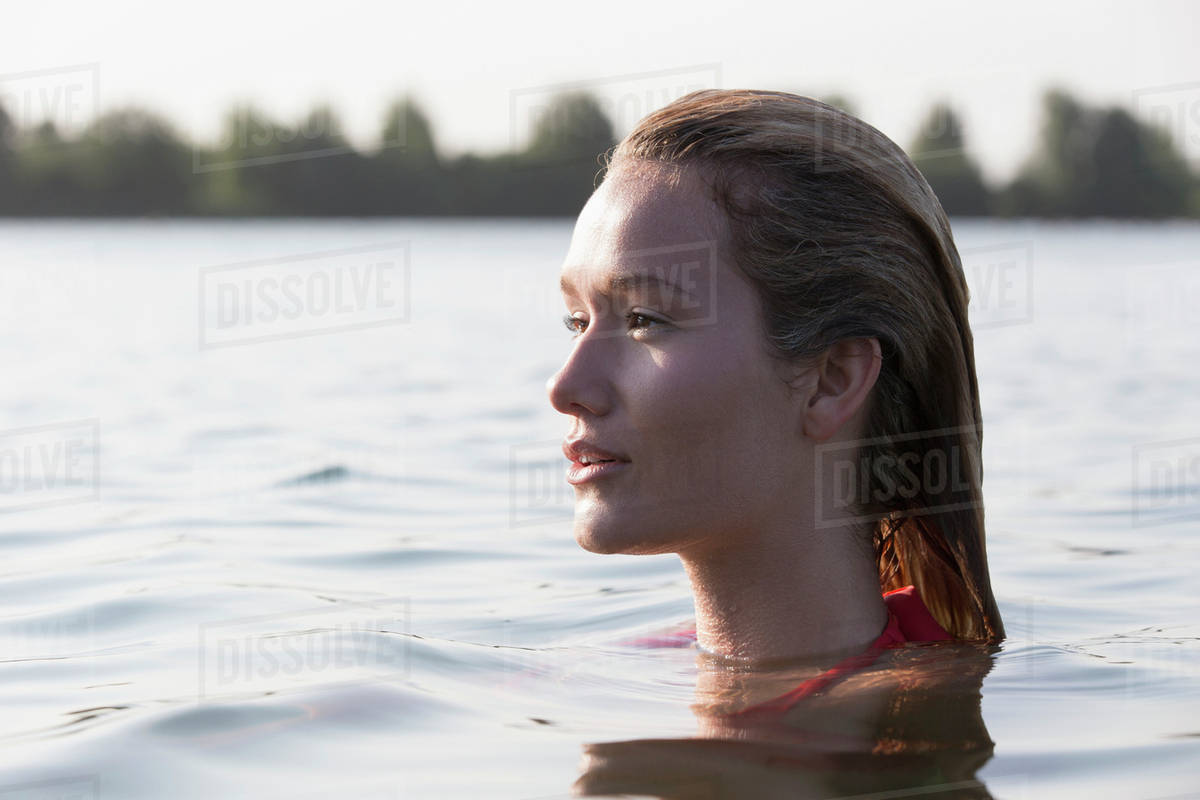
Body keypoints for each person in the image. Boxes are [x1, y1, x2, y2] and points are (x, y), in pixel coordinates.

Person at [547, 89, 1004, 668]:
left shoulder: (908, 729)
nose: (565, 387)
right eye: (577, 321)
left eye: (644, 320)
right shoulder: (589, 673)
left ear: (832, 381)